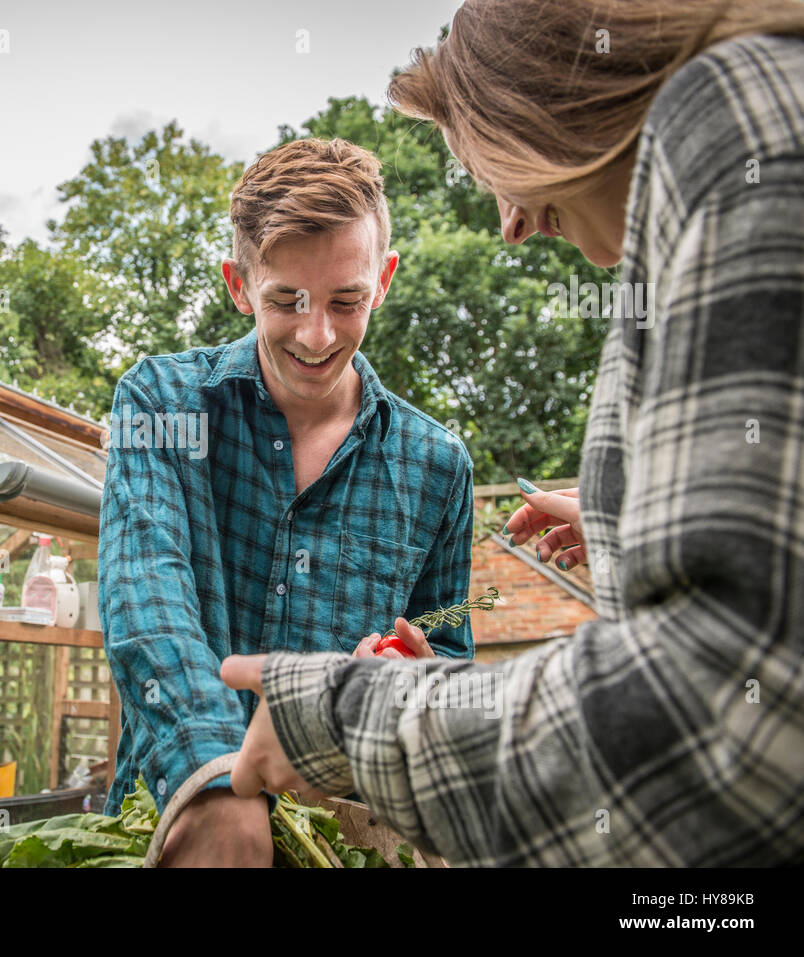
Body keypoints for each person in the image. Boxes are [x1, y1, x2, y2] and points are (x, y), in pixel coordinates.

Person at [223, 0, 804, 866]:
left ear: (556, 106)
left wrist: (344, 714)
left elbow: (718, 714)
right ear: (241, 287)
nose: (511, 222)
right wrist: (632, 527)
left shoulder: (735, 122)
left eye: (493, 165)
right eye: (288, 301)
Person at [97, 138, 475, 867]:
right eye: (286, 300)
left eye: (346, 300)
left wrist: (413, 681)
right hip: (178, 826)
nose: (317, 333)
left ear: (384, 281)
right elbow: (147, 596)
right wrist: (217, 780)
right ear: (239, 285)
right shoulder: (160, 403)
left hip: (353, 844)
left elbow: (445, 644)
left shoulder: (439, 466)